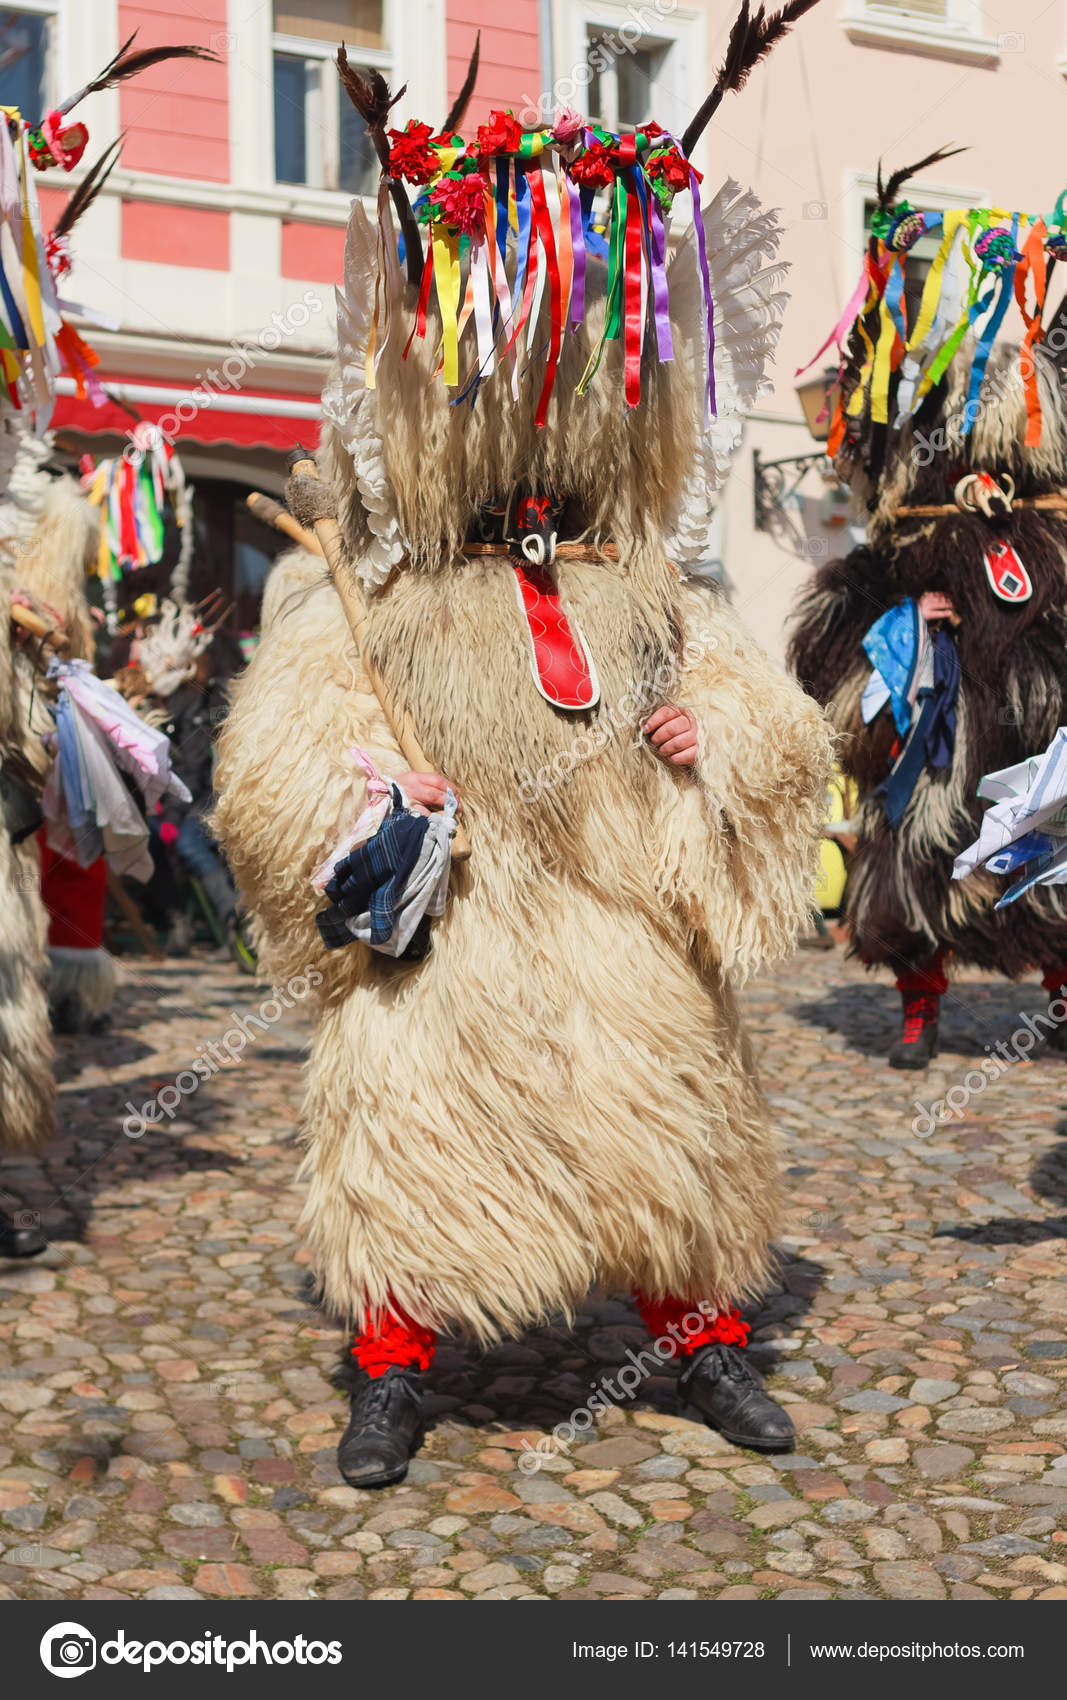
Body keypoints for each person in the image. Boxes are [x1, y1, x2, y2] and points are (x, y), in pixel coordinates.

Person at [215, 9, 831, 1487]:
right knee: (408, 1130)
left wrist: (715, 739)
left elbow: (769, 715)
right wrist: (371, 786)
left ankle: (694, 1341)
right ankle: (392, 1369)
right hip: (459, 932)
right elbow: (285, 734)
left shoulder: (641, 580)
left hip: (618, 917)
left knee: (667, 1129)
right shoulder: (381, 586)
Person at [789, 157, 1067, 1068]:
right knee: (915, 861)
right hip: (939, 720)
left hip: (1032, 708)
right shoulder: (911, 470)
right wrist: (905, 635)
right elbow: (848, 604)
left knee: (1052, 861)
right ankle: (920, 1007)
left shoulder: (1048, 486)